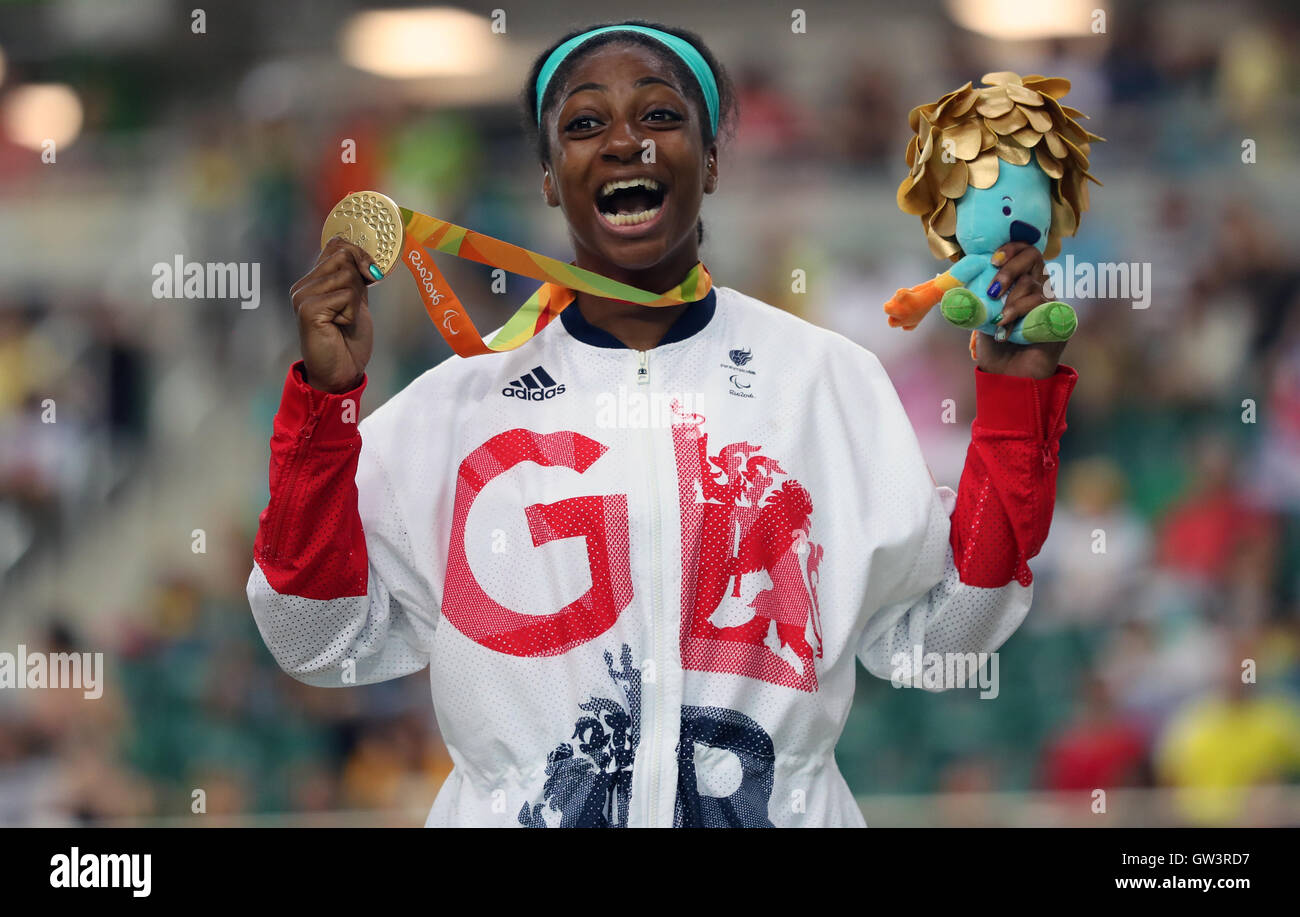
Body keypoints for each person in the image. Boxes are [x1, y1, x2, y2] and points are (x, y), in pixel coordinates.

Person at [247, 19, 1078, 828]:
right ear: (547, 176)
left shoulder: (826, 381)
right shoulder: (450, 407)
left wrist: (1013, 414)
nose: (623, 141)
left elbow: (946, 640)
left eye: (659, 115)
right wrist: (325, 405)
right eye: (582, 123)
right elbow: (317, 637)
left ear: (711, 159)